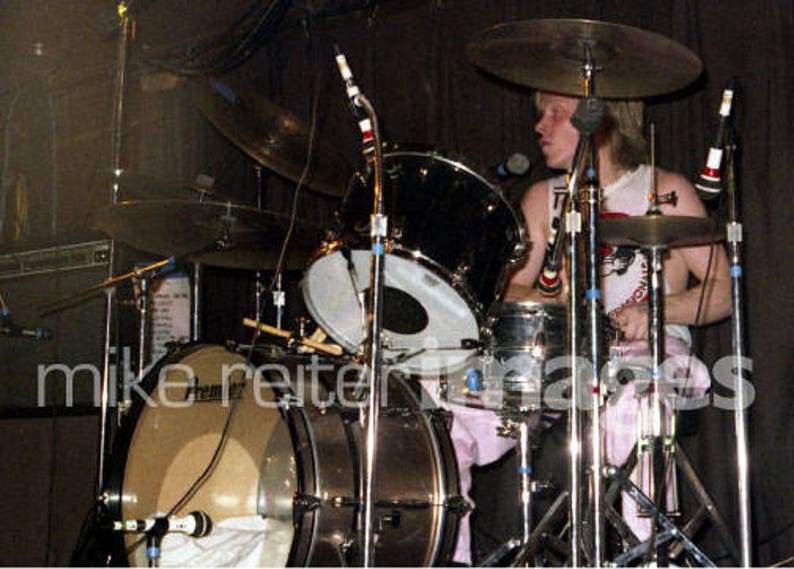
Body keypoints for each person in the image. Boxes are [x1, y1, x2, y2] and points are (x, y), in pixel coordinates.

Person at [503, 91, 733, 543]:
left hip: (650, 356)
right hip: (562, 359)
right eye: (541, 115)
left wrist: (654, 311)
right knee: (453, 405)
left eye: (557, 114)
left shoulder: (665, 191)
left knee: (636, 395)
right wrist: (553, 298)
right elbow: (509, 290)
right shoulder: (541, 198)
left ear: (599, 122)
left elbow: (722, 291)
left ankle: (642, 547)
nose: (540, 127)